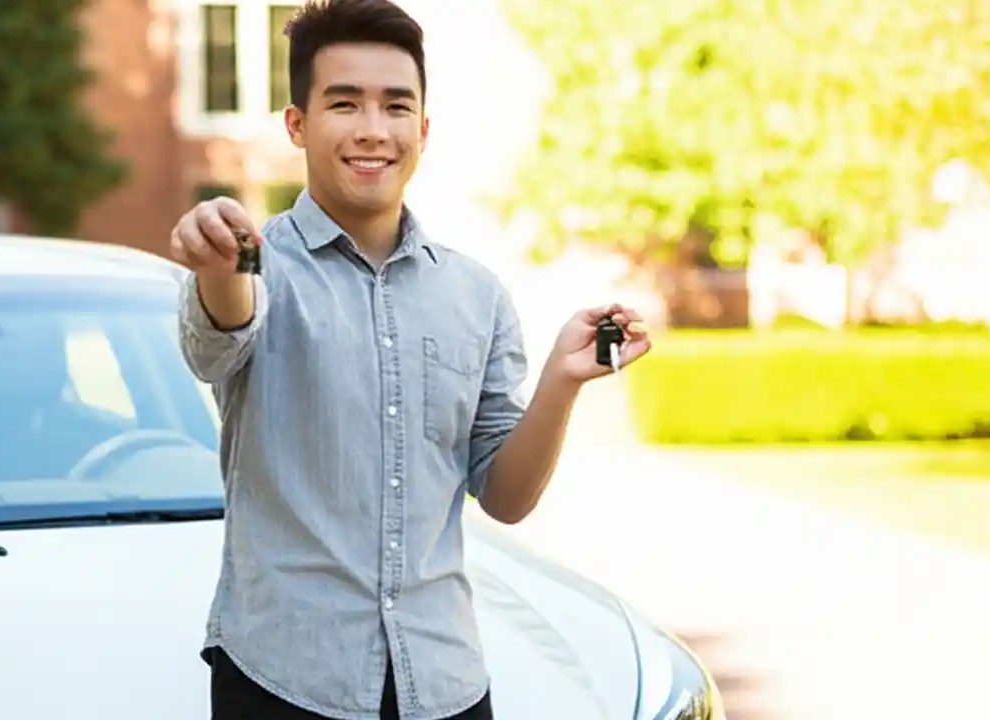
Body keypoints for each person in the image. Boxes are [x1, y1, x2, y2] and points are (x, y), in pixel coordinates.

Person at [169, 1, 651, 718]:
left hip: (444, 683)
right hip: (284, 681)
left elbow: (508, 498)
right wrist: (217, 266)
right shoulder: (254, 267)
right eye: (344, 103)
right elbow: (217, 339)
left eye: (396, 106)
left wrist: (562, 379)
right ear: (297, 124)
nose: (372, 129)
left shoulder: (475, 294)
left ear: (422, 130)